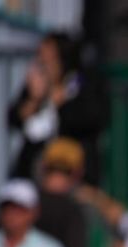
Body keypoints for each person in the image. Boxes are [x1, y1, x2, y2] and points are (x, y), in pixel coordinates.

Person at [7, 32, 109, 185]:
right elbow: (14, 119)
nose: (42, 62)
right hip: (35, 169)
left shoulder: (82, 83)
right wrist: (35, 100)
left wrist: (60, 104)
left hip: (73, 170)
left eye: (48, 59)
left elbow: (94, 118)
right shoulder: (37, 86)